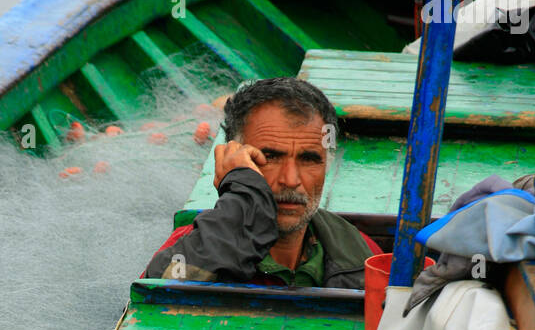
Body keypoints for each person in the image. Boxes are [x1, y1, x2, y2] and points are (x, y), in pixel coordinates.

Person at [143, 77, 381, 287]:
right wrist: (244, 199)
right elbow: (152, 304)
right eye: (269, 158)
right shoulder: (192, 247)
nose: (290, 180)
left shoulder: (363, 256)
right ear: (232, 160)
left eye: (309, 159)